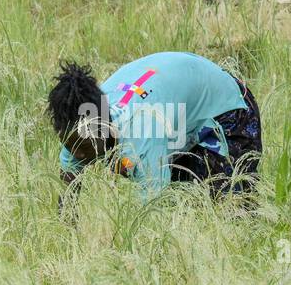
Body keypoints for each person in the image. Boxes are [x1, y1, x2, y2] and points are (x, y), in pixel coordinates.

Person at [47, 52, 262, 210]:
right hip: (180, 112)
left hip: (227, 107)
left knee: (231, 208)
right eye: (69, 145)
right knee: (185, 206)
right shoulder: (78, 128)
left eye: (84, 147)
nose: (79, 155)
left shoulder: (141, 136)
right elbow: (67, 201)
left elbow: (150, 216)